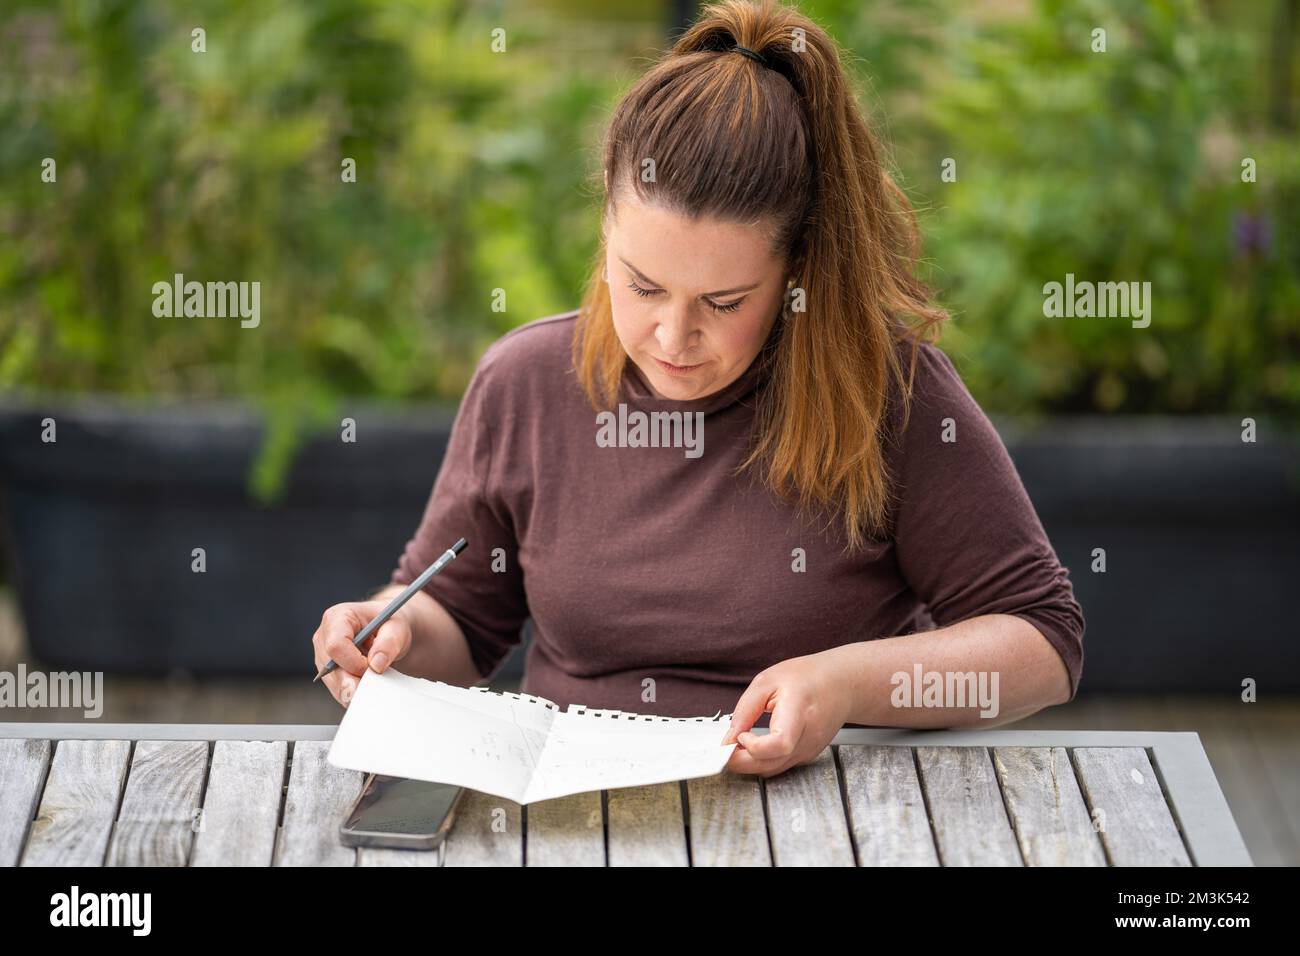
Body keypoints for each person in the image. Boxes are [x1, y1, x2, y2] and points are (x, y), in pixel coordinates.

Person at [312, 0, 1084, 778]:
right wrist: (388, 631)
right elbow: (464, 621)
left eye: (724, 304)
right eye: (642, 286)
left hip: (827, 812)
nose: (672, 339)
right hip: (569, 816)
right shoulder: (526, 382)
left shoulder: (889, 395)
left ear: (797, 271)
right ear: (605, 230)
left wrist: (844, 684)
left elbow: (1044, 642)